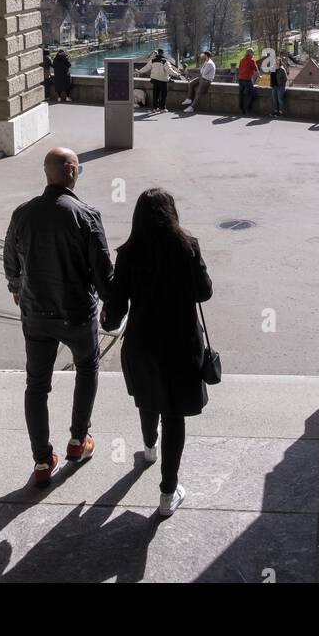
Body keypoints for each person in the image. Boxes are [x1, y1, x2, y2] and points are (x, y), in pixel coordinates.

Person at [3, 146, 114, 484]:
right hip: (76, 313)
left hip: (36, 313)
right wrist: (112, 303)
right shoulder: (86, 215)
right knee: (87, 368)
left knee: (36, 386)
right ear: (68, 171)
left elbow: (10, 258)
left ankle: (41, 461)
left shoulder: (22, 213)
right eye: (78, 167)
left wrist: (17, 287)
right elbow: (102, 272)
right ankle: (79, 440)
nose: (79, 173)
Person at [101, 188, 213, 517]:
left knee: (148, 399)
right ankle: (167, 494)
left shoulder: (129, 252)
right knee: (174, 415)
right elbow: (204, 292)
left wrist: (110, 313)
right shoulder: (187, 246)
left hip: (142, 343)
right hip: (181, 343)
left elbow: (117, 307)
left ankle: (149, 446)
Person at [139, 48, 183, 113]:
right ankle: (162, 108)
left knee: (155, 94)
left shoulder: (152, 60)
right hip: (163, 80)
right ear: (163, 53)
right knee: (163, 95)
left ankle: (155, 108)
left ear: (158, 53)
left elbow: (146, 68)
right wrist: (177, 75)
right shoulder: (165, 61)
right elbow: (169, 71)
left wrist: (139, 71)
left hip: (154, 80)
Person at [237, 48, 258, 116]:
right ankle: (248, 110)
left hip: (240, 79)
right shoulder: (251, 60)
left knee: (241, 95)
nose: (253, 54)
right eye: (253, 53)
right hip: (247, 80)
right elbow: (255, 69)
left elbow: (239, 68)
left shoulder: (241, 59)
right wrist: (259, 75)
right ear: (250, 53)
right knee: (250, 94)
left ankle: (241, 109)